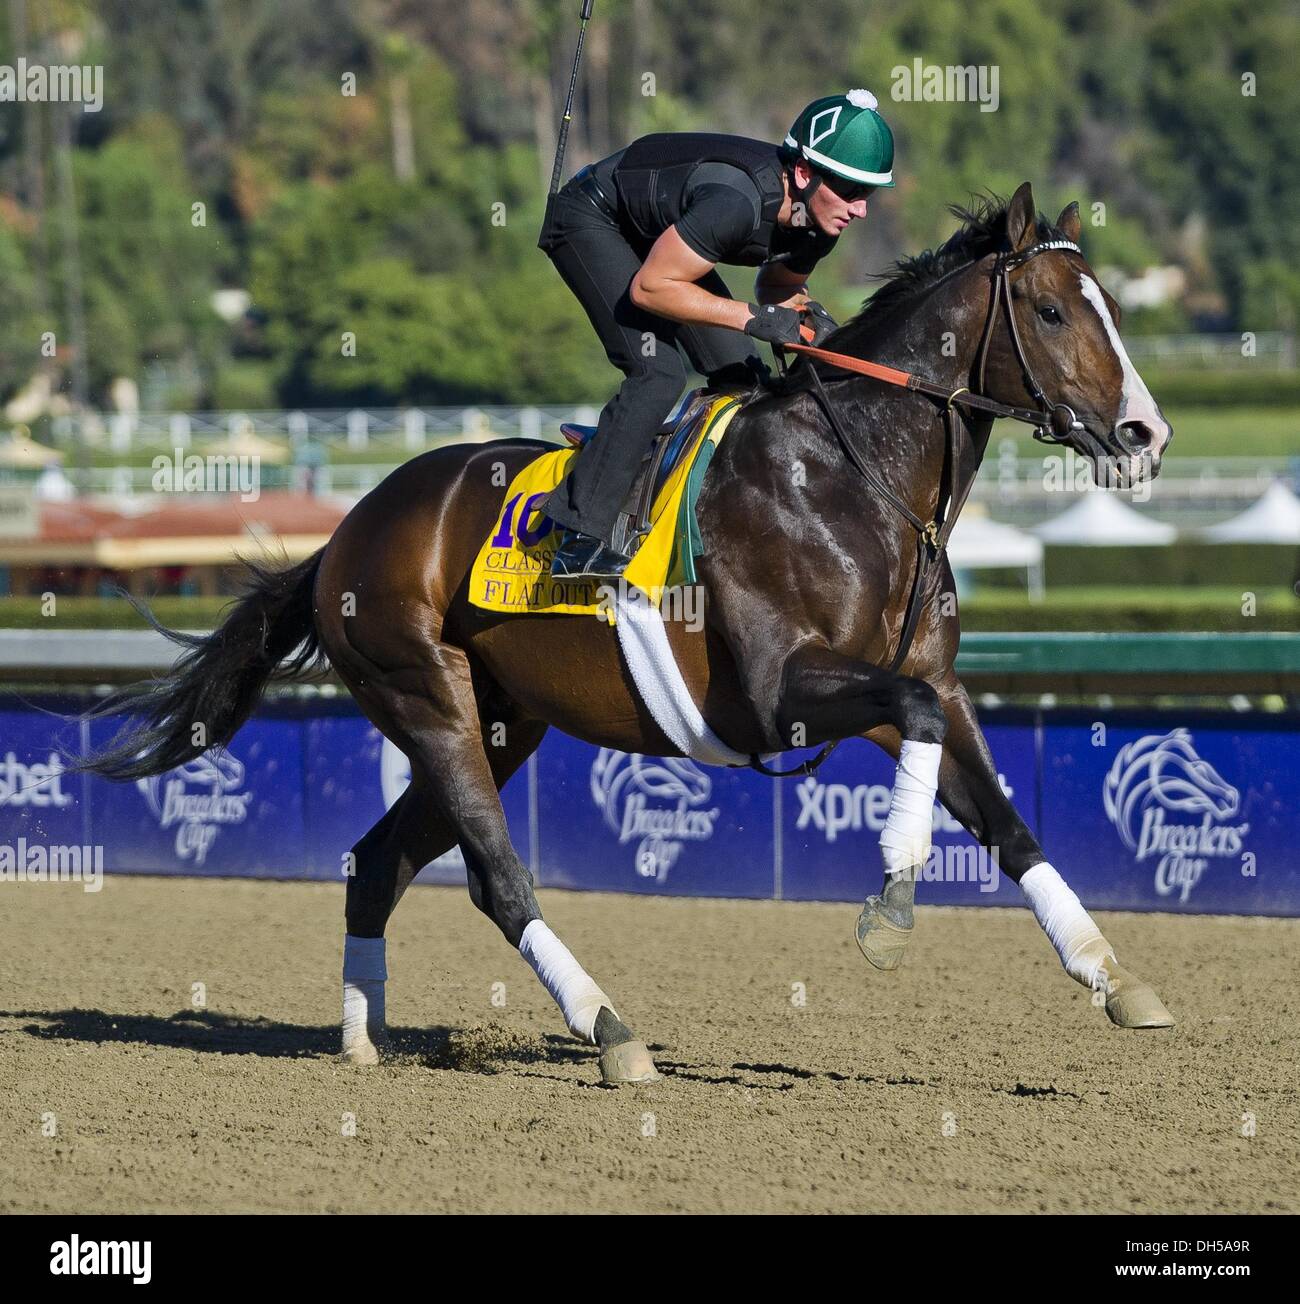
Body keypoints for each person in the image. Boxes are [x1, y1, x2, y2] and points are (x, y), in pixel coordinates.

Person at [536, 89, 896, 582]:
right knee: (656, 373)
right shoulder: (737, 202)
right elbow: (651, 288)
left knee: (743, 378)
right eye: (851, 191)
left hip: (665, 235)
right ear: (805, 174)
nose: (861, 210)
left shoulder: (818, 224)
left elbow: (778, 285)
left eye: (868, 195)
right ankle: (577, 535)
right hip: (594, 218)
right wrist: (752, 317)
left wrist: (807, 320)